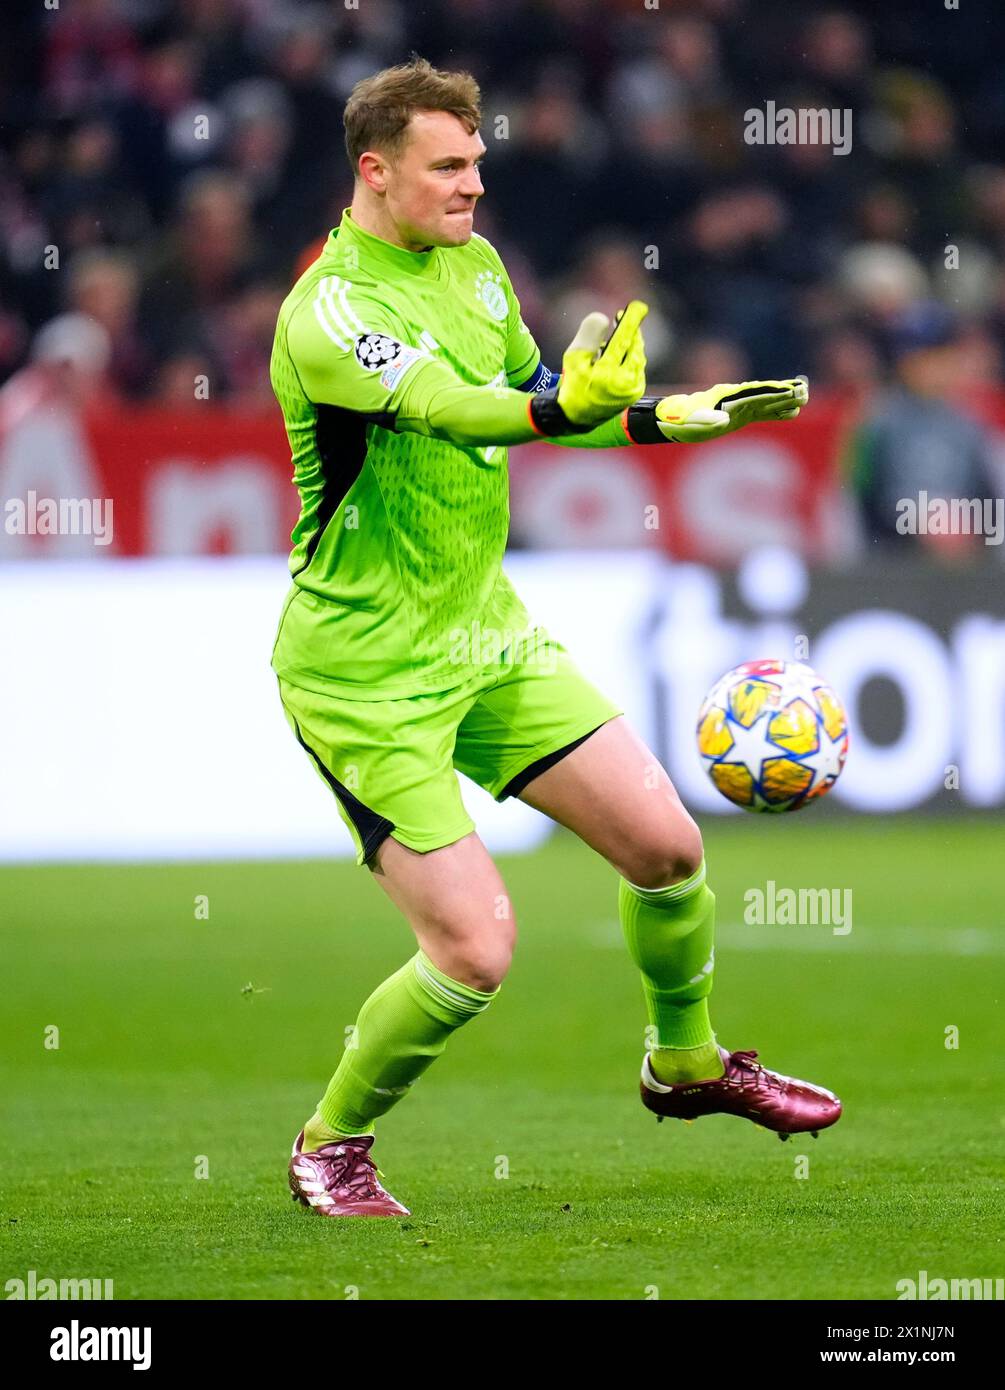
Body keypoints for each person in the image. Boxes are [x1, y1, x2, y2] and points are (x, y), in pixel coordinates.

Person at [269, 57, 838, 1218]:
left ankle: (683, 1065)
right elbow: (453, 405)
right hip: (365, 674)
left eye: (478, 162)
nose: (475, 185)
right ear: (375, 173)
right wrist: (555, 408)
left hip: (485, 638)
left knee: (669, 848)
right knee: (476, 951)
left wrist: (656, 418)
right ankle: (331, 1143)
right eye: (450, 166)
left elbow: (534, 389)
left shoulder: (474, 269)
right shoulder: (329, 310)